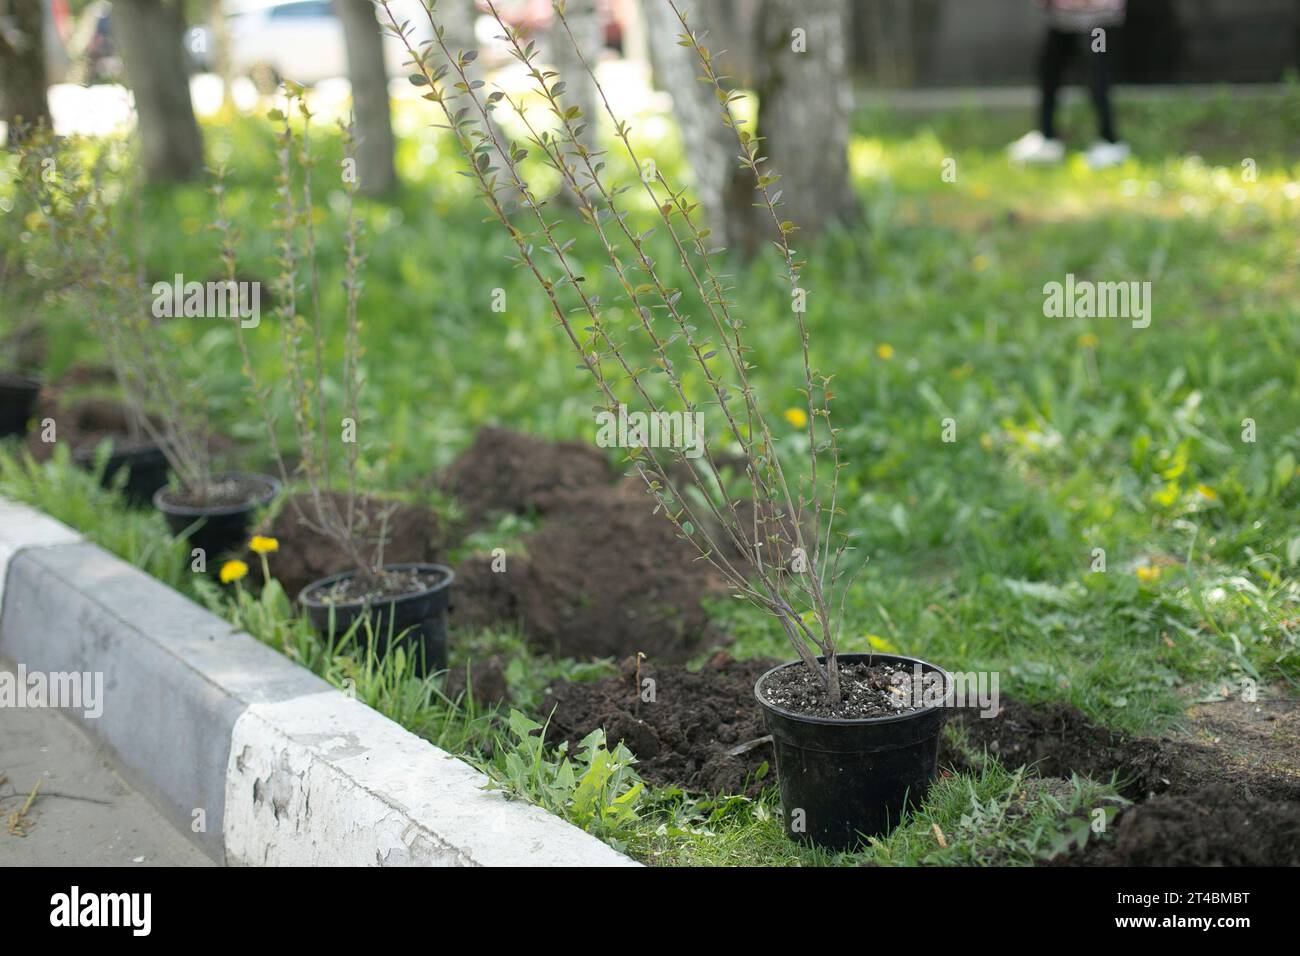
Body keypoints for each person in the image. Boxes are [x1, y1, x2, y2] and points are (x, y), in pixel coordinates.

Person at [1008, 0, 1130, 169]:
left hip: (1099, 20)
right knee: (1049, 70)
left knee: (1097, 73)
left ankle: (1110, 140)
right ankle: (1047, 137)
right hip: (1063, 16)